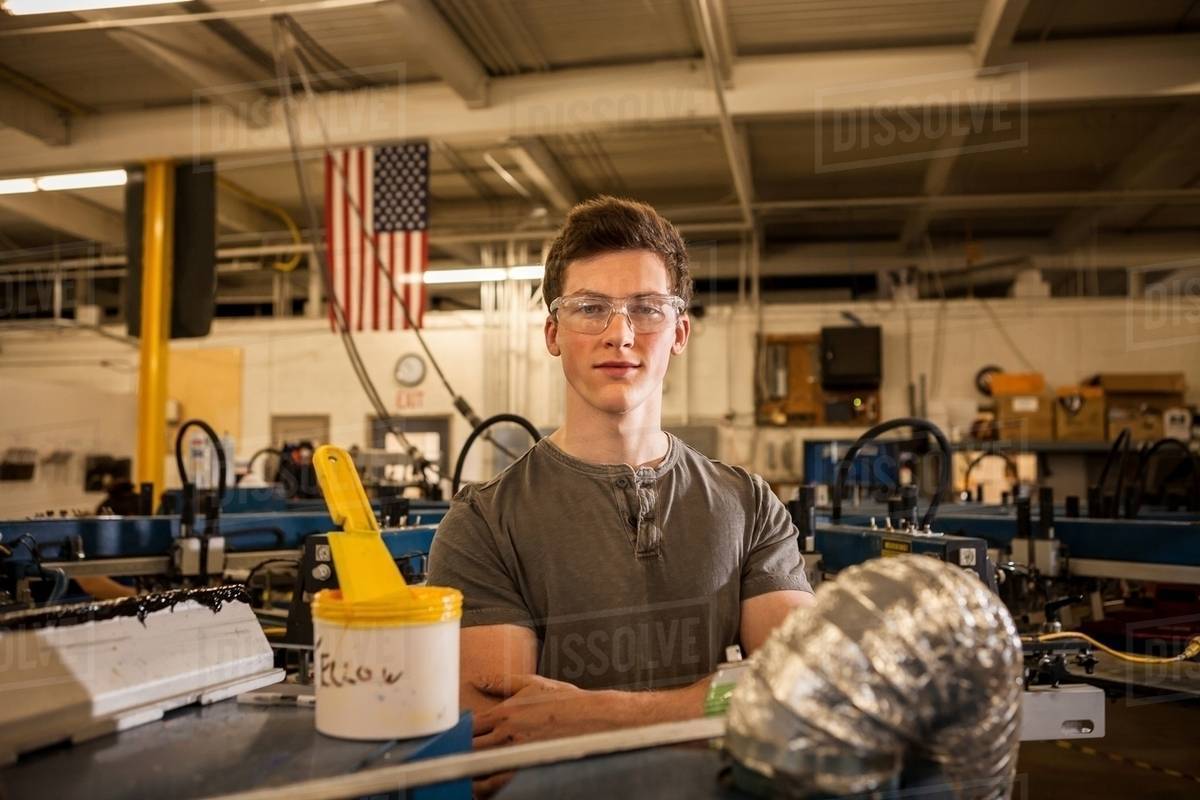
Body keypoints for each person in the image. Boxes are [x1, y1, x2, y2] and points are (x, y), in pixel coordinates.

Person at [427, 196, 814, 757]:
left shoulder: (750, 507)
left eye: (647, 308)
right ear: (553, 333)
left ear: (680, 332)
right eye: (590, 308)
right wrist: (715, 710)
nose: (620, 334)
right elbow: (498, 744)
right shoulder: (484, 523)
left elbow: (809, 692)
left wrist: (602, 717)